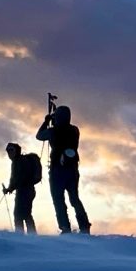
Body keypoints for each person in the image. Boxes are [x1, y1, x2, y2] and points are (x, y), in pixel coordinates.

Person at [37, 96, 91, 233]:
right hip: (72, 169)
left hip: (57, 170)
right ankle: (84, 225)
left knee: (58, 200)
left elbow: (39, 136)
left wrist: (46, 122)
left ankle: (65, 227)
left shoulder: (53, 131)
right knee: (74, 198)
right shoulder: (74, 130)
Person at [2, 142, 42, 232]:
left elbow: (19, 178)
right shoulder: (17, 162)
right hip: (27, 191)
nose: (9, 153)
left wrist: (10, 188)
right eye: (8, 151)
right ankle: (30, 235)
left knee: (20, 214)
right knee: (25, 214)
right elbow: (15, 178)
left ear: (17, 151)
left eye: (11, 150)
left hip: (25, 191)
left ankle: (21, 235)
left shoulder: (20, 161)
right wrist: (10, 188)